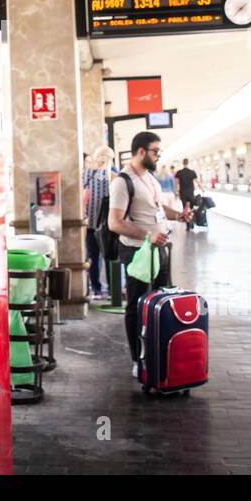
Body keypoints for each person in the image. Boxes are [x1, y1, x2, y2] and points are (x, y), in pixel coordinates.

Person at [108, 131, 192, 378]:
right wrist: (148, 236)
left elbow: (156, 207)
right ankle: (138, 359)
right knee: (136, 306)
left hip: (159, 250)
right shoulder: (123, 182)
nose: (158, 155)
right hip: (138, 252)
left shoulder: (150, 179)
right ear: (141, 151)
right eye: (156, 151)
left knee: (159, 304)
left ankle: (156, 352)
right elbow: (115, 222)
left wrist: (177, 215)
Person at [82, 146, 115, 299]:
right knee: (110, 257)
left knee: (93, 257)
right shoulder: (115, 177)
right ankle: (113, 289)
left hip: (90, 224)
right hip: (109, 226)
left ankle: (96, 289)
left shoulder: (85, 174)